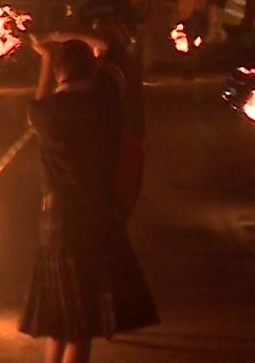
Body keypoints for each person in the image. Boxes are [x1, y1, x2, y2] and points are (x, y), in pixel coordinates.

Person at [21, 37, 158, 363]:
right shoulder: (106, 101)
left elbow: (38, 103)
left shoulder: (46, 113)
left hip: (56, 220)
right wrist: (64, 38)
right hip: (96, 217)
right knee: (81, 327)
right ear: (92, 69)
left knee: (59, 323)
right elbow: (109, 50)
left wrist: (45, 55)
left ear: (58, 73)